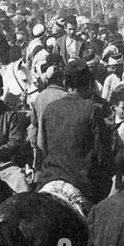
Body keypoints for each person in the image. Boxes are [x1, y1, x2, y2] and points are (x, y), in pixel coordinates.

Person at [38, 58, 114, 209]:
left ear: (65, 84)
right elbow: (102, 156)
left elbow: (43, 148)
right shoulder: (93, 110)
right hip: (81, 185)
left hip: (49, 179)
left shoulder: (50, 109)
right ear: (90, 84)